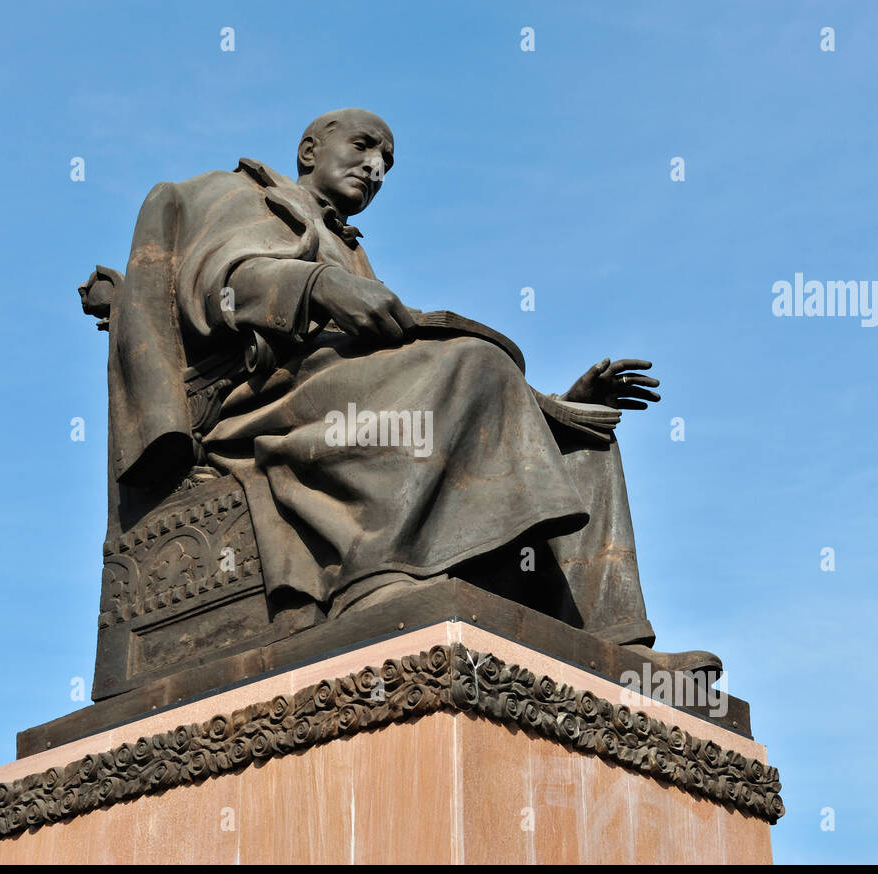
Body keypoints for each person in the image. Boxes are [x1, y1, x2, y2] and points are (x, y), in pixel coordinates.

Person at [98, 108, 719, 674]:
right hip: (264, 403)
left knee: (581, 442)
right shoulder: (240, 192)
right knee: (472, 365)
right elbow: (220, 283)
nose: (376, 167)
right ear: (309, 149)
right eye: (364, 147)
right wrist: (317, 286)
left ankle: (620, 649)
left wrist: (549, 404)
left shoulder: (349, 246)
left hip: (351, 385)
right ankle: (376, 577)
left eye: (387, 162)